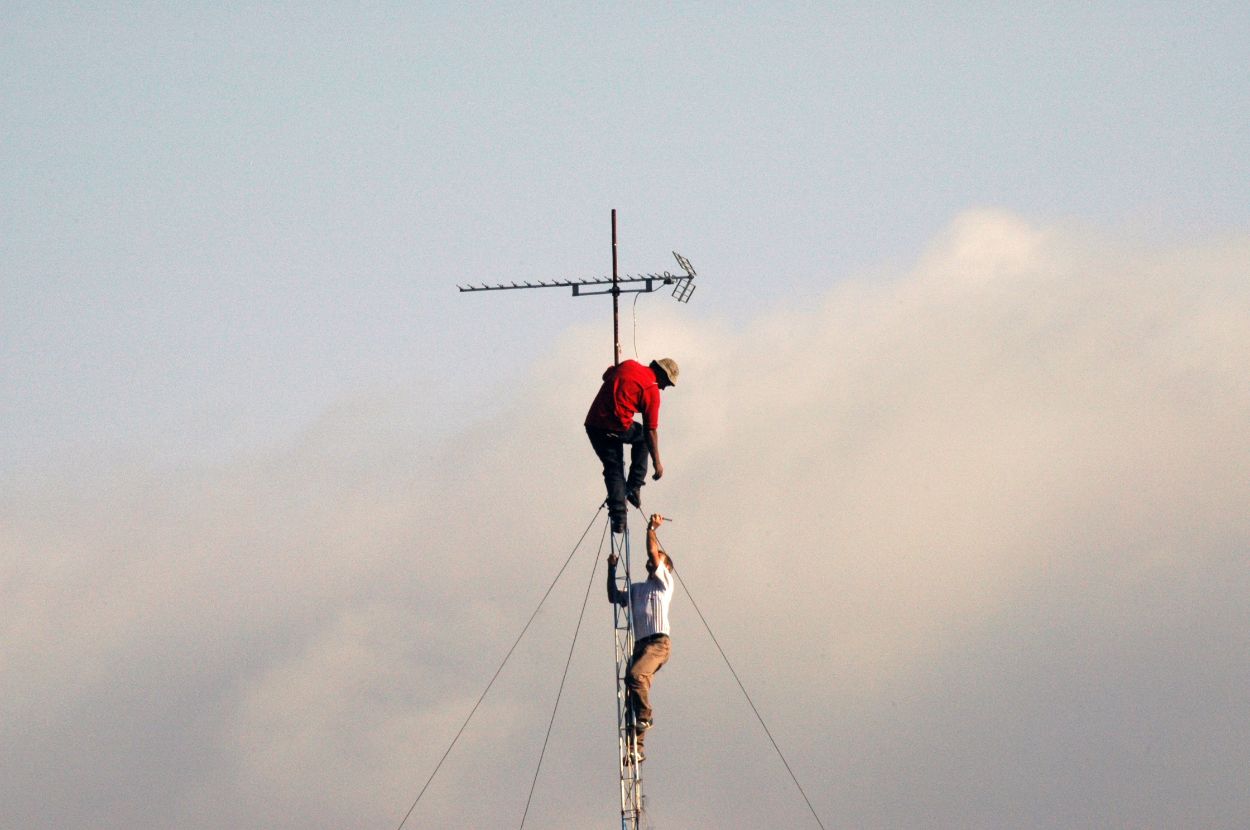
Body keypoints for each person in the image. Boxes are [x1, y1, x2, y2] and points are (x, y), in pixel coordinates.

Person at [606, 513, 675, 764]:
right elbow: (614, 596)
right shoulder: (638, 589)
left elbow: (652, 553)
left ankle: (646, 714)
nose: (654, 559)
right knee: (632, 691)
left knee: (635, 676)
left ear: (665, 567)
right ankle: (637, 746)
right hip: (641, 645)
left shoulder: (664, 583)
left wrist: (651, 530)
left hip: (658, 643)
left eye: (659, 558)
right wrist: (612, 569)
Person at [584, 358, 679, 533]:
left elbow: (606, 375)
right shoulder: (652, 391)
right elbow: (651, 431)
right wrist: (657, 463)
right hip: (613, 426)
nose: (664, 388)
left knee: (613, 467)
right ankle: (634, 487)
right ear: (662, 374)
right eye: (666, 383)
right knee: (640, 441)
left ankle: (619, 517)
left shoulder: (629, 364)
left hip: (593, 424)